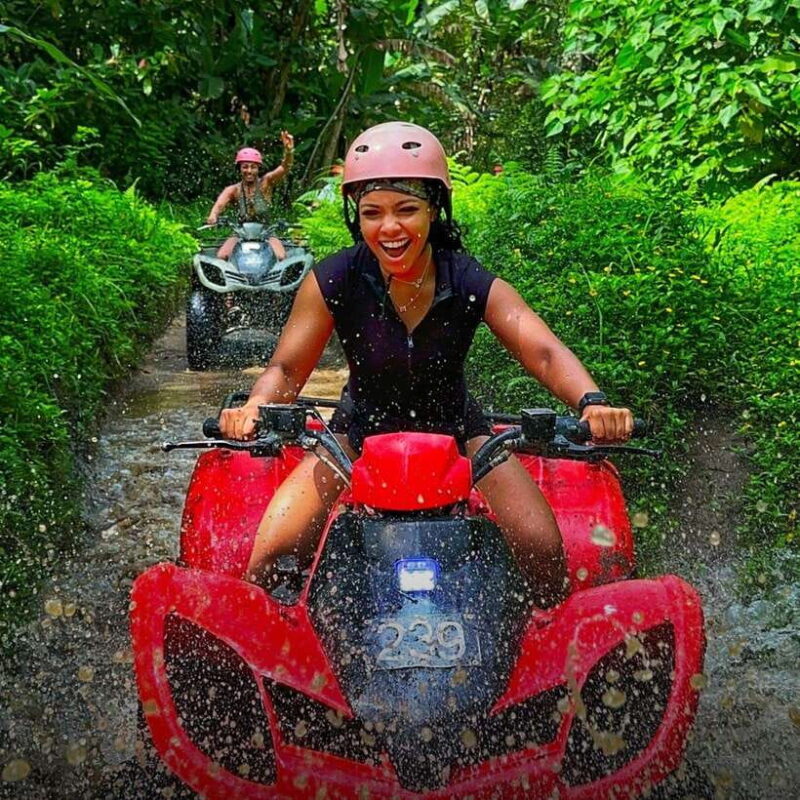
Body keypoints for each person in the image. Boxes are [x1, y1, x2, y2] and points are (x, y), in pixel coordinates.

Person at [219, 121, 633, 608]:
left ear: (434, 210)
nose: (389, 228)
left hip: (460, 430)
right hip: (358, 430)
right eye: (372, 213)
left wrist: (592, 401)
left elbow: (540, 347)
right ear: (356, 217)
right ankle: (288, 664)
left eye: (406, 210)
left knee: (541, 547)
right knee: (271, 554)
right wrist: (254, 406)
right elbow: (287, 370)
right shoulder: (334, 278)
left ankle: (540, 661)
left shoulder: (468, 277)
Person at [206, 130, 295, 261]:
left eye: (253, 167)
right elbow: (219, 204)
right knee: (221, 255)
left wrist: (289, 151)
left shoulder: (266, 183)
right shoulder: (233, 190)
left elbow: (285, 167)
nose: (249, 171)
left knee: (281, 256)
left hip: (266, 232)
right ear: (239, 169)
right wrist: (213, 215)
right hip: (241, 232)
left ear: (258, 169)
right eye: (245, 167)